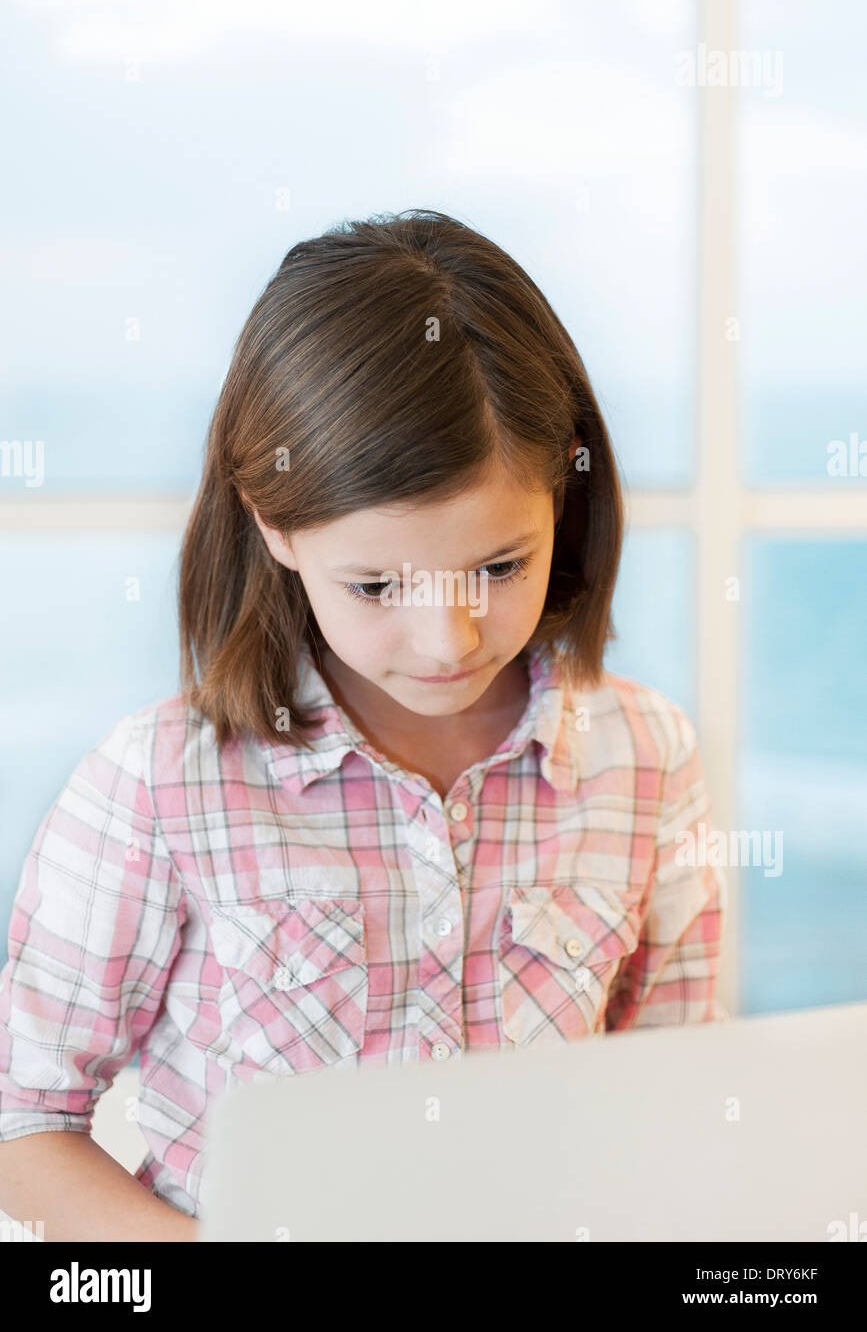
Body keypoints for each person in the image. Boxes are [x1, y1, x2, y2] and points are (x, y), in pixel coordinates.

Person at [0, 209, 726, 1241]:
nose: (447, 638)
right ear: (274, 523)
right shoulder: (161, 784)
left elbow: (681, 1095)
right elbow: (23, 1121)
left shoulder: (647, 758)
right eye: (379, 582)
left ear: (566, 488)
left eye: (498, 566)